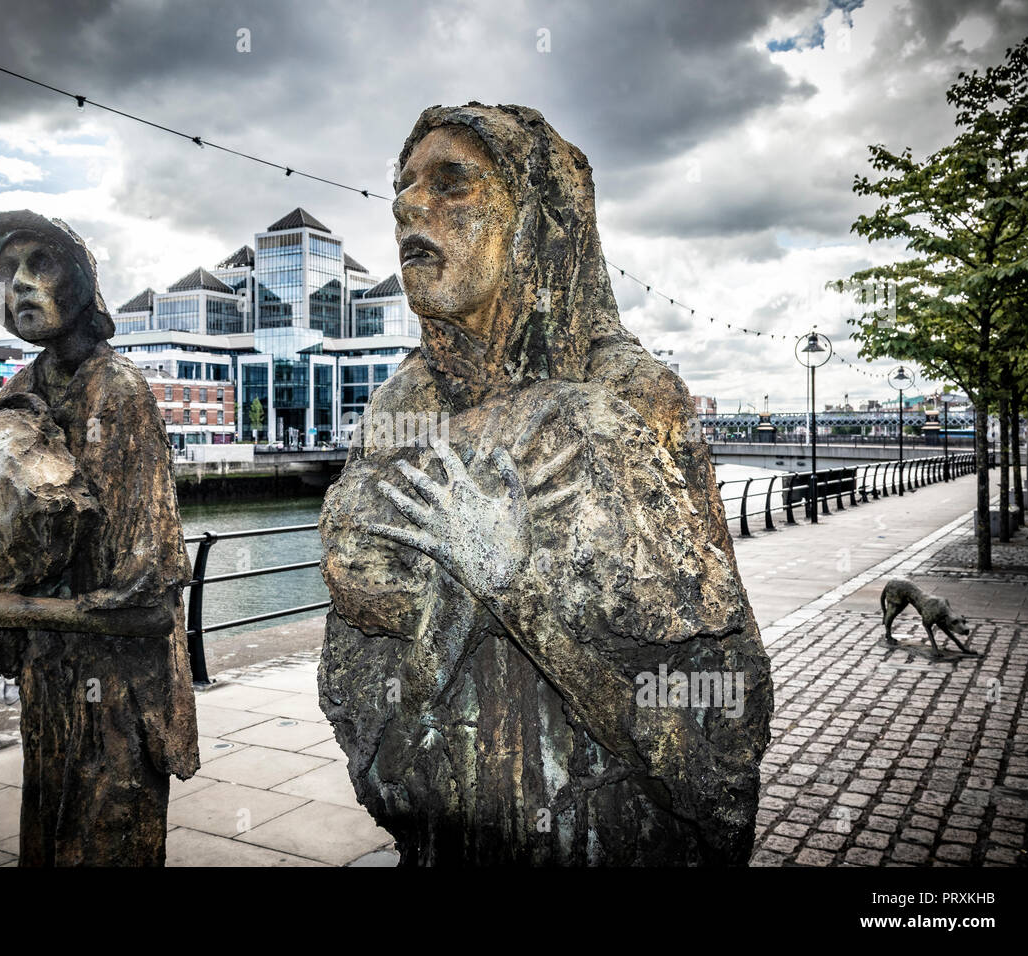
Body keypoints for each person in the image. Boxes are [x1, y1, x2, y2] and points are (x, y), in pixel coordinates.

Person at [319, 104, 772, 865]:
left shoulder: (633, 401)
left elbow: (716, 714)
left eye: (452, 181)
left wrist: (516, 592)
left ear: (537, 221)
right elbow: (358, 680)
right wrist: (436, 612)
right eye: (402, 187)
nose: (406, 206)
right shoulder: (401, 409)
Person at [0, 211, 198, 866]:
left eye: (41, 263)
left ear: (84, 280)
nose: (19, 286)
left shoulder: (117, 392)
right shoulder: (17, 393)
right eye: (3, 275)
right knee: (47, 840)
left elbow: (149, 608)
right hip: (50, 687)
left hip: (119, 697)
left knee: (106, 842)